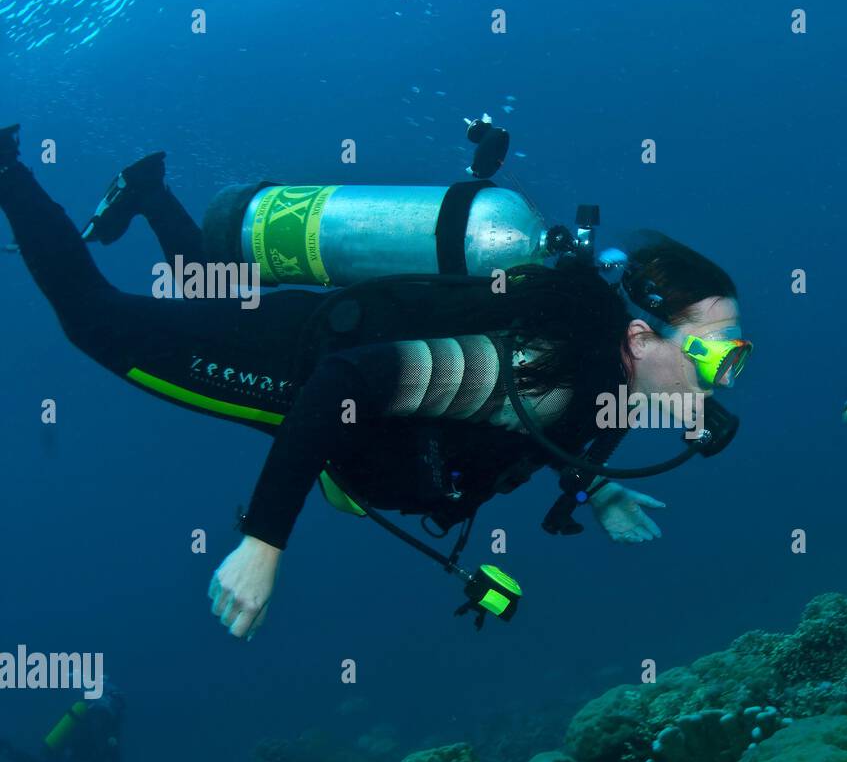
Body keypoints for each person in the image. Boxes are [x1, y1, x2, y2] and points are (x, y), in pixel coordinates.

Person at [0, 125, 750, 639]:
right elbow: (344, 383)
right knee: (92, 320)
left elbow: (557, 424)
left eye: (734, 356)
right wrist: (264, 542)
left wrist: (599, 487)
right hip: (290, 369)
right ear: (640, 336)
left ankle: (150, 192)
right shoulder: (518, 368)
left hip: (314, 333)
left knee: (210, 296)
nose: (721, 382)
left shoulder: (603, 370)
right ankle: (10, 169)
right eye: (715, 358)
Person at [0, 681, 126, 762]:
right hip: (70, 749)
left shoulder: (102, 716)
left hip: (71, 750)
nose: (119, 710)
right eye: (119, 706)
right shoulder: (103, 716)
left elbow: (109, 749)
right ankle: (8, 750)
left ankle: (8, 751)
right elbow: (102, 744)